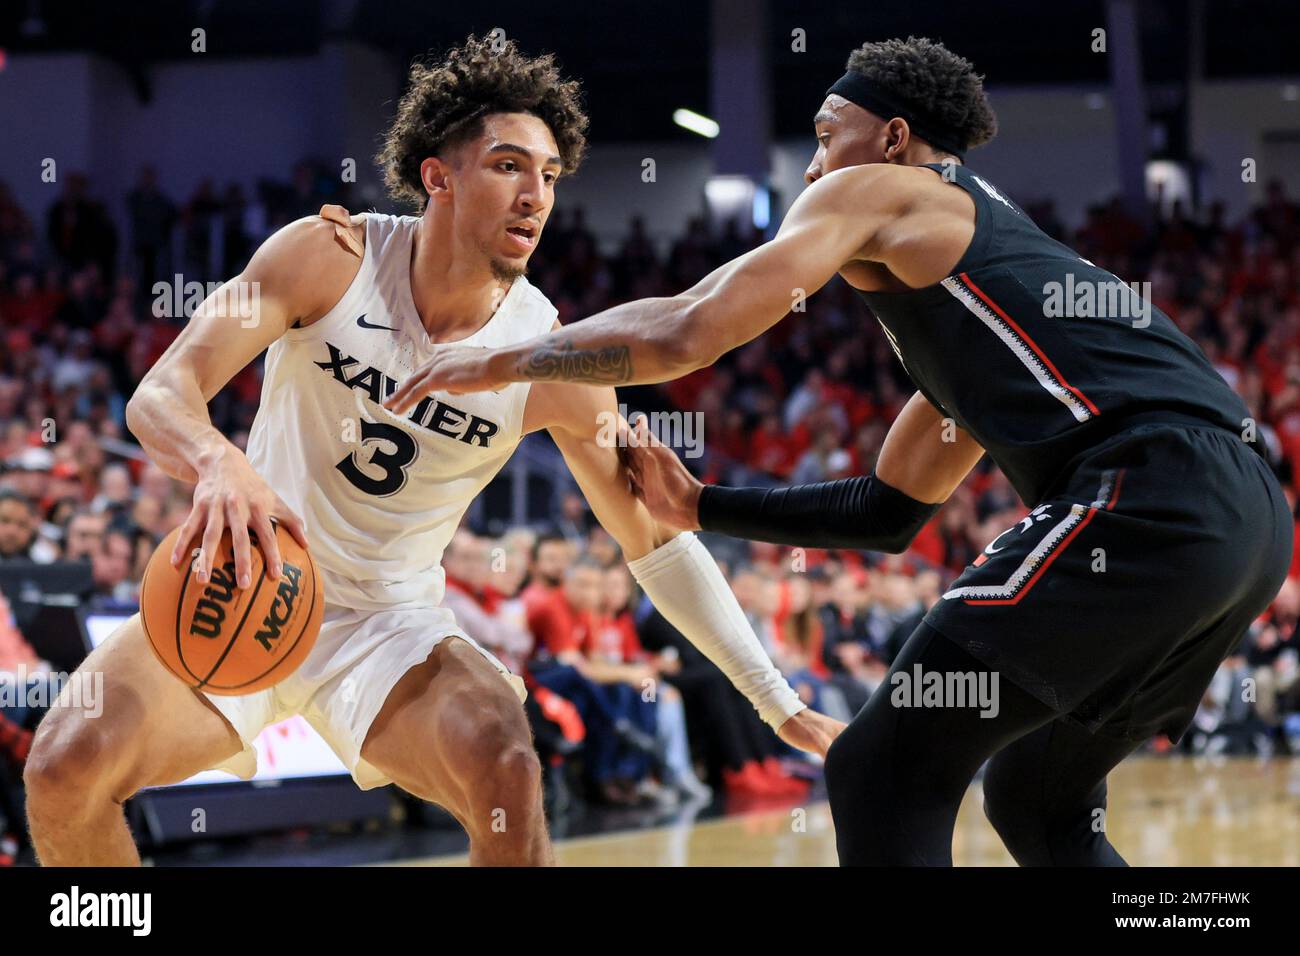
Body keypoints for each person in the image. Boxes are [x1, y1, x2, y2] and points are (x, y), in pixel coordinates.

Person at [400, 36, 1293, 866]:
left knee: (880, 768)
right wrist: (704, 505)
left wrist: (502, 357)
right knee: (1038, 799)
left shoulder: (884, 190)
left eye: (828, 136)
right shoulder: (984, 312)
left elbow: (687, 329)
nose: (817, 164)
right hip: (1246, 524)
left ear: (893, 138)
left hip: (1153, 491)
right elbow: (890, 512)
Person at [23, 36, 838, 868]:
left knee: (507, 767)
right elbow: (160, 392)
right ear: (437, 177)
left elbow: (656, 544)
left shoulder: (551, 354)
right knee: (62, 772)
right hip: (245, 583)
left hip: (390, 625)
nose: (536, 196)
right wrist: (217, 462)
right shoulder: (326, 257)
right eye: (508, 166)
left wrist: (776, 702)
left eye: (550, 175)